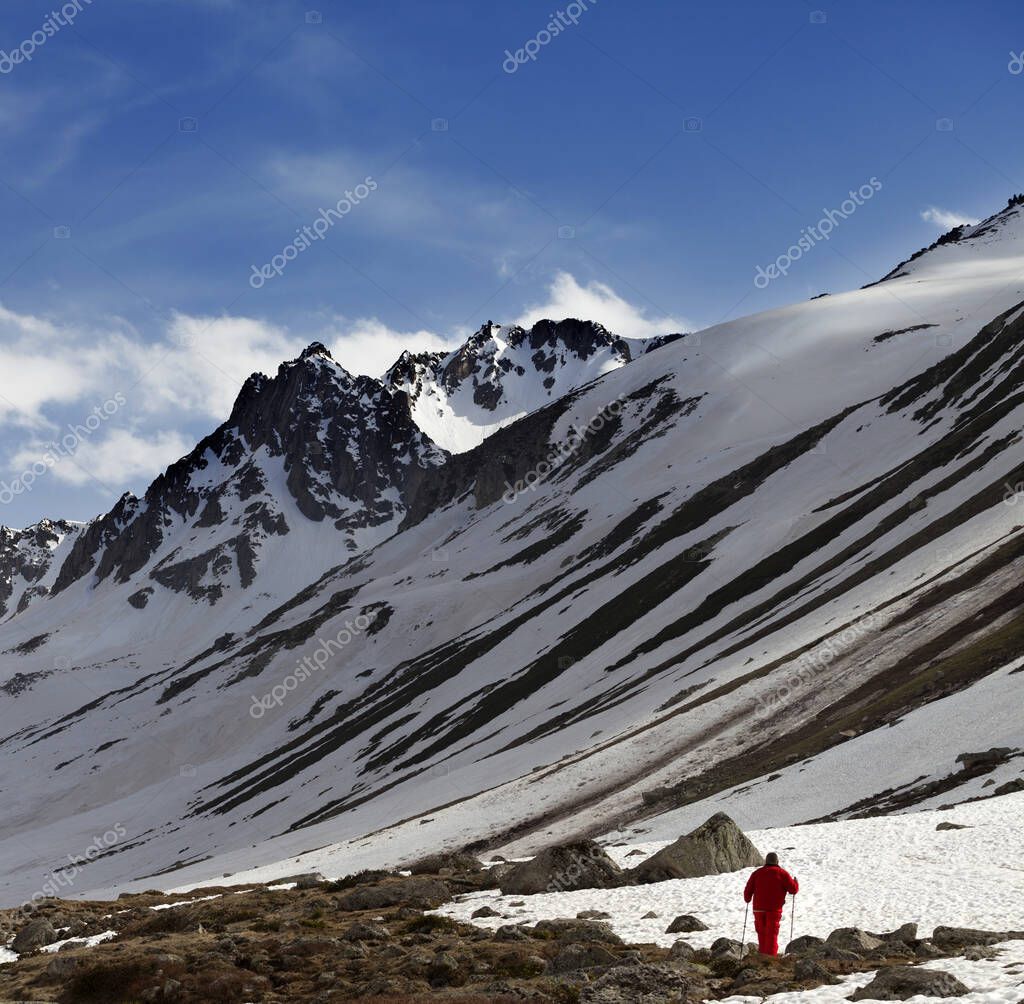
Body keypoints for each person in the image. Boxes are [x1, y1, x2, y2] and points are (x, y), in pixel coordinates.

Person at [743, 851, 798, 956]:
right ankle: (770, 959)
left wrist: (748, 898)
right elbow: (793, 889)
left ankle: (762, 957)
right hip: (774, 910)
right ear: (777, 861)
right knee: (771, 935)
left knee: (762, 934)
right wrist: (796, 882)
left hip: (758, 909)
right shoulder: (782, 873)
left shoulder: (756, 873)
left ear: (766, 861)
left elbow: (747, 893)